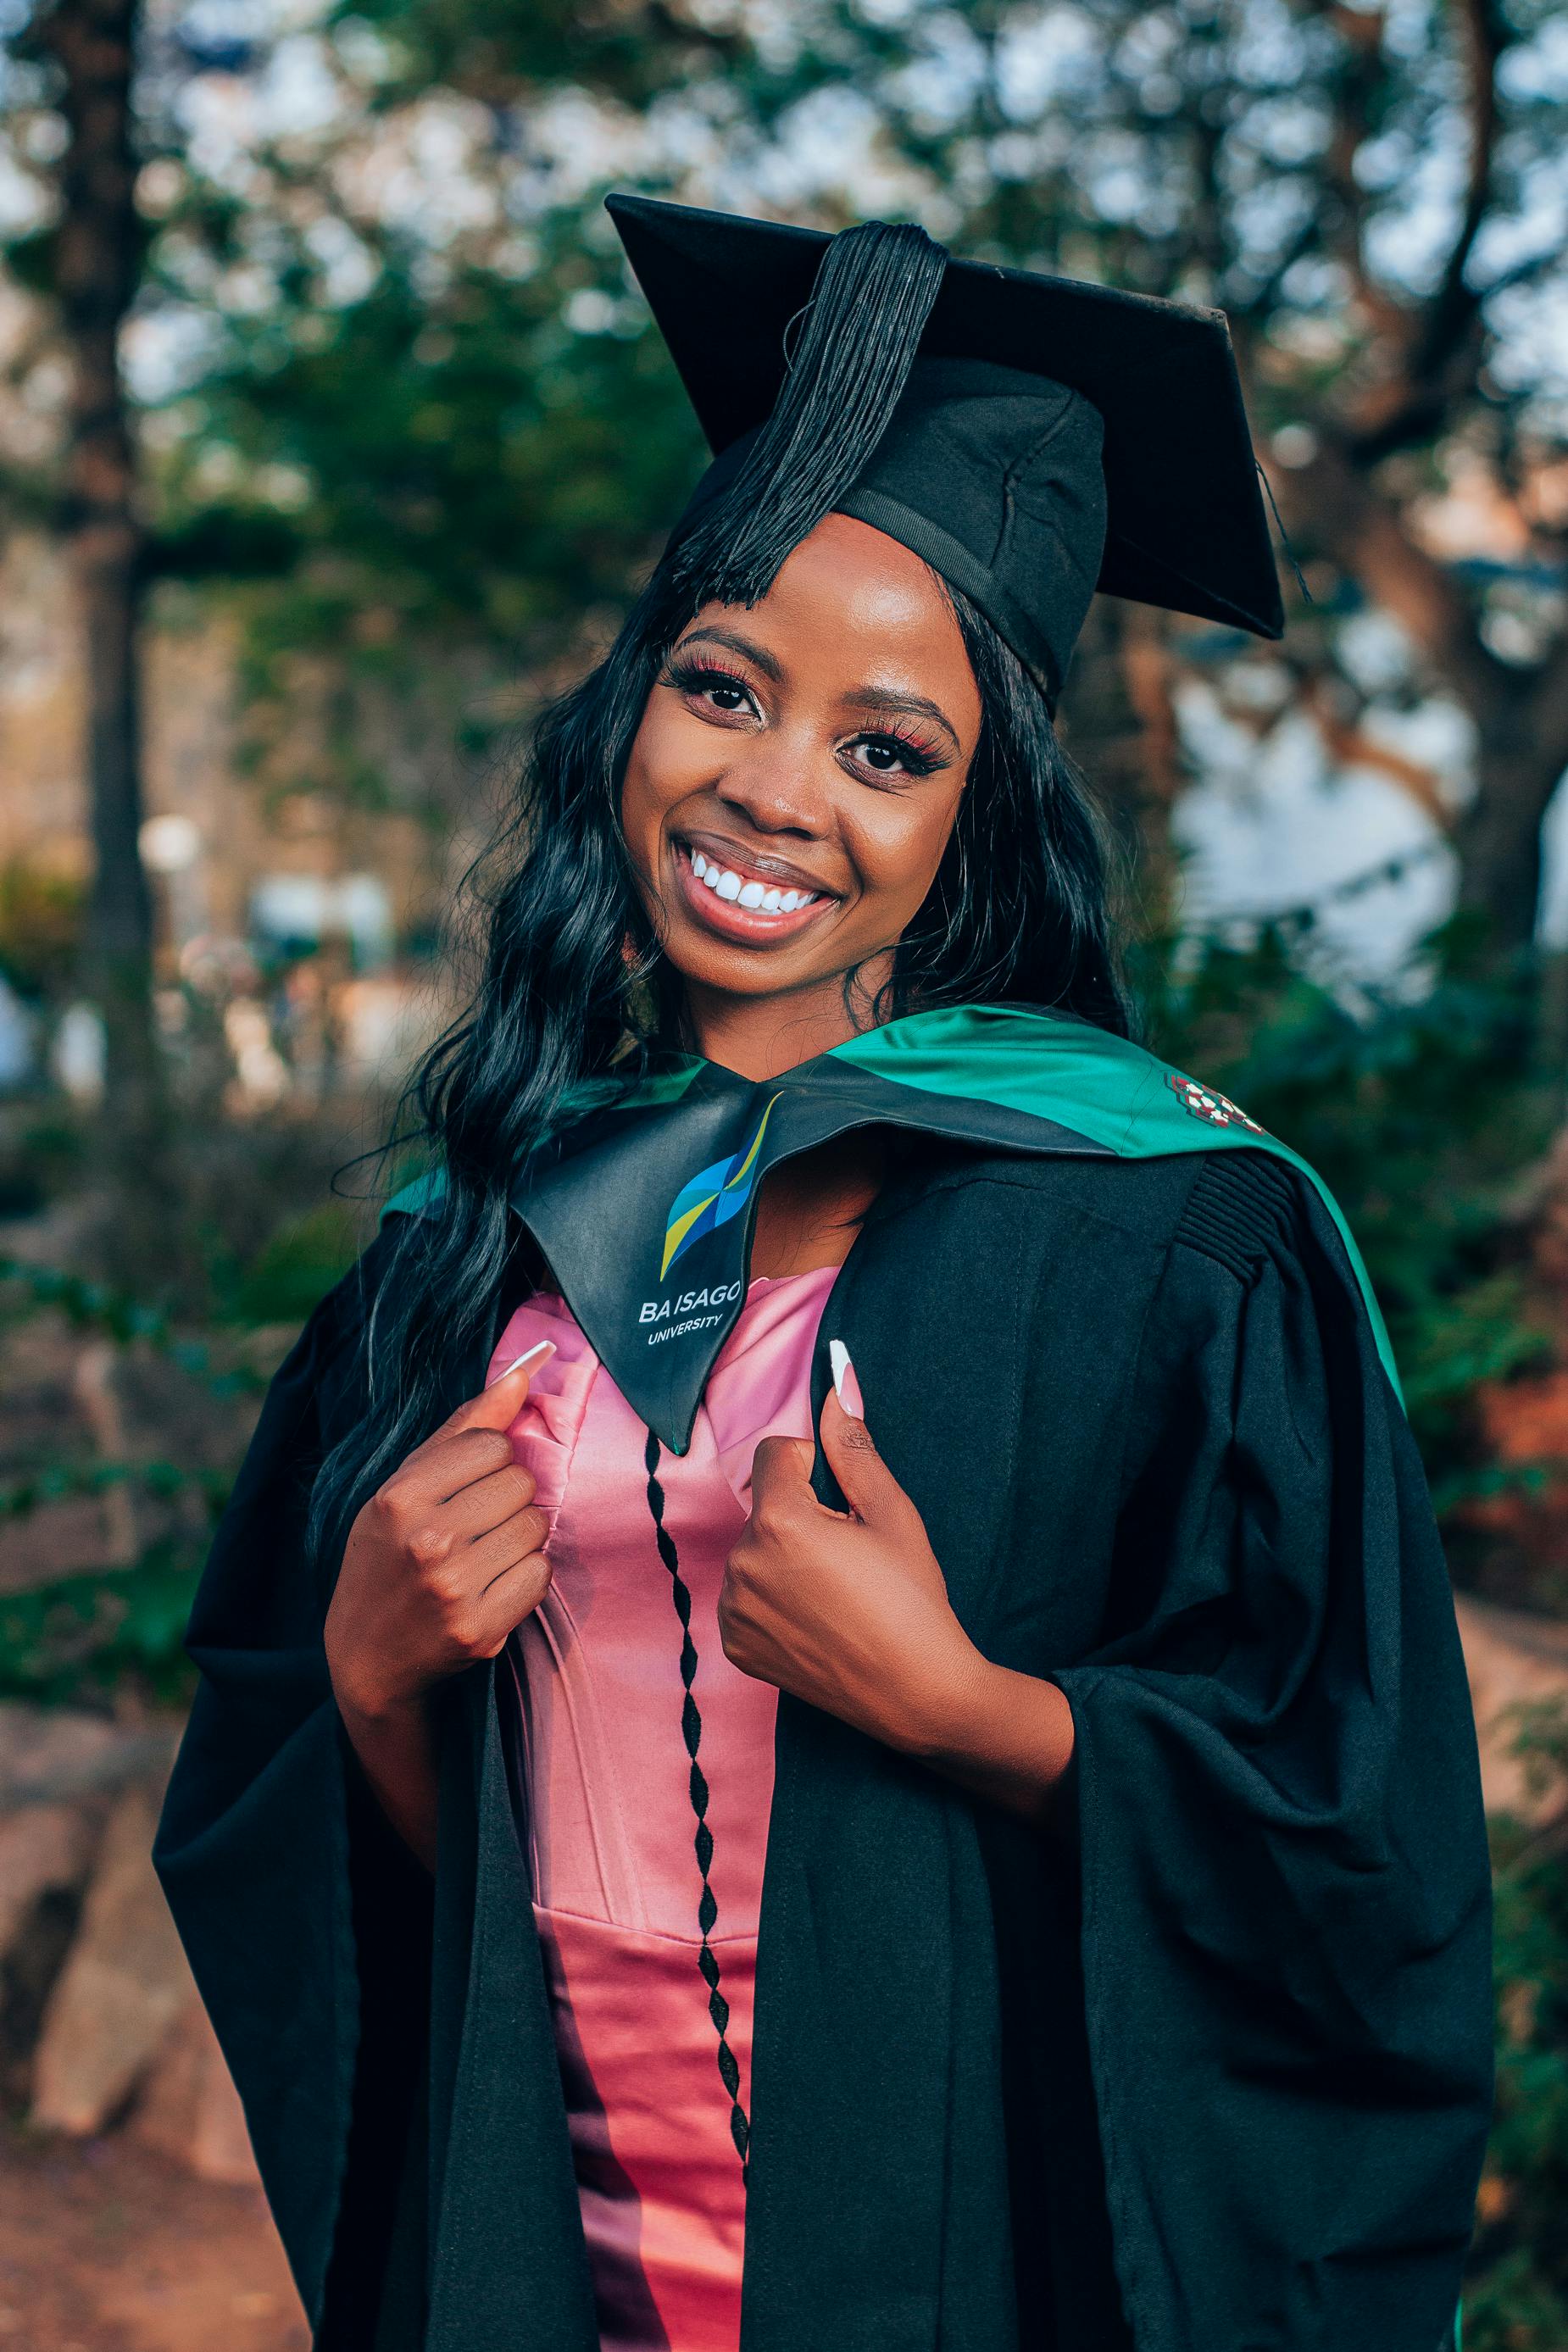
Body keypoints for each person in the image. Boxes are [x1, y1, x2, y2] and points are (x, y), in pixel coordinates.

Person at [154, 195, 1493, 2352]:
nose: (772, 789)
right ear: (635, 707)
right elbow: (382, 1903)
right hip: (550, 2268)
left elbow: (1359, 1855)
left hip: (963, 2264)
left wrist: (983, 1715)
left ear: (985, 810)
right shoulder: (473, 1239)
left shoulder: (1166, 1233)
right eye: (722, 684)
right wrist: (373, 1674)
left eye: (887, 745)